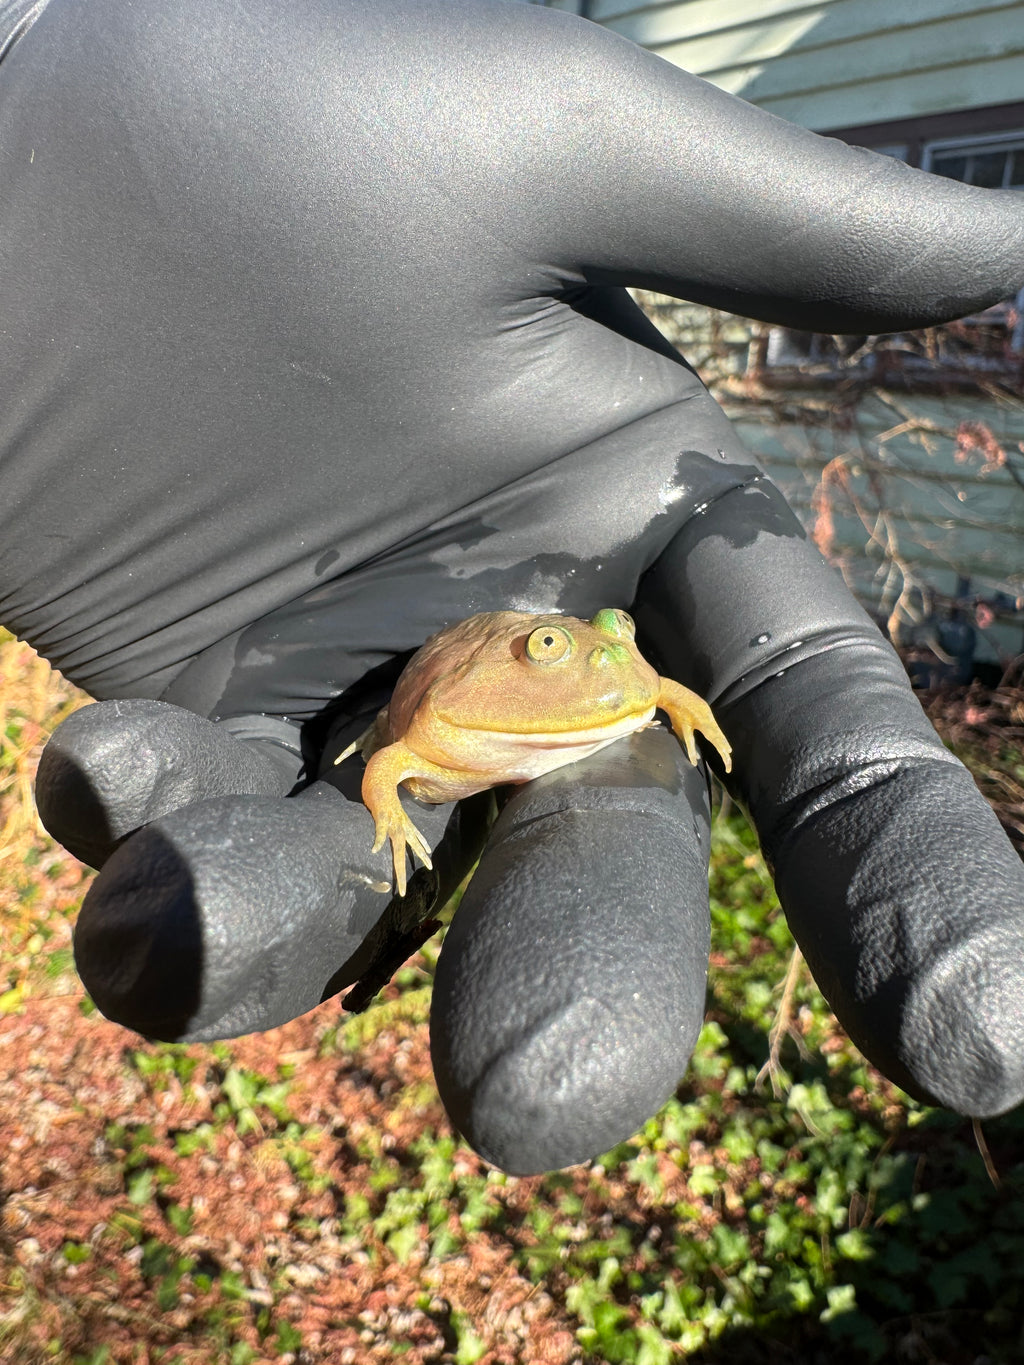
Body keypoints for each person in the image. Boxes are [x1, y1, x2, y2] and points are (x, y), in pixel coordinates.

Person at [3, 0, 1022, 1176]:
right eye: (558, 648)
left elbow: (639, 675)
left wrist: (678, 706)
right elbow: (392, 761)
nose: (596, 654)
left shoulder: (615, 661)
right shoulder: (444, 713)